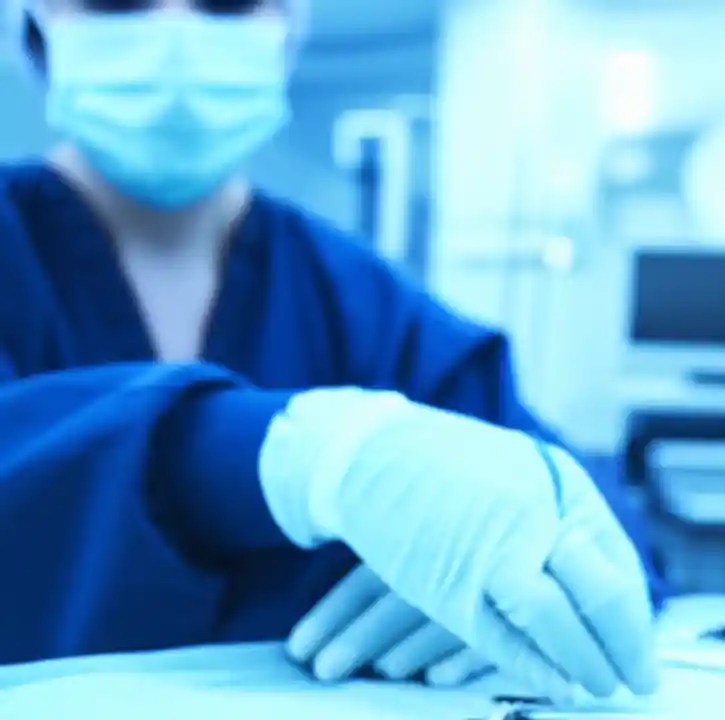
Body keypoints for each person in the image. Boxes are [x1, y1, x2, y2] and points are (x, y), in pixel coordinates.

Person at [0, 0, 659, 702]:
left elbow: (591, 520)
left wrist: (514, 577)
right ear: (37, 26)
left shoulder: (353, 297)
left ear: (290, 27)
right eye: (115, 0)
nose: (177, 37)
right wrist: (294, 457)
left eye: (227, 3)